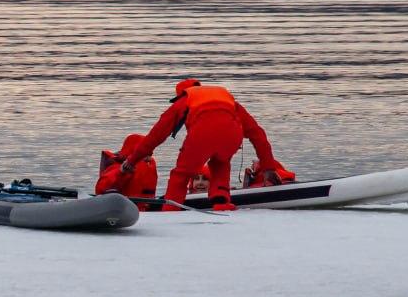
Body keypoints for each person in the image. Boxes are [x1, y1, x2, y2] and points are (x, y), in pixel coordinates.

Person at [118, 79, 290, 211]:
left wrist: (132, 161)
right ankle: (222, 203)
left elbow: (155, 137)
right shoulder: (226, 99)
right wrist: (268, 167)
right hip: (232, 135)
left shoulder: (184, 100)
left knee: (181, 174)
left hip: (202, 134)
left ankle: (171, 210)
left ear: (181, 94)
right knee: (221, 163)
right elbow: (257, 134)